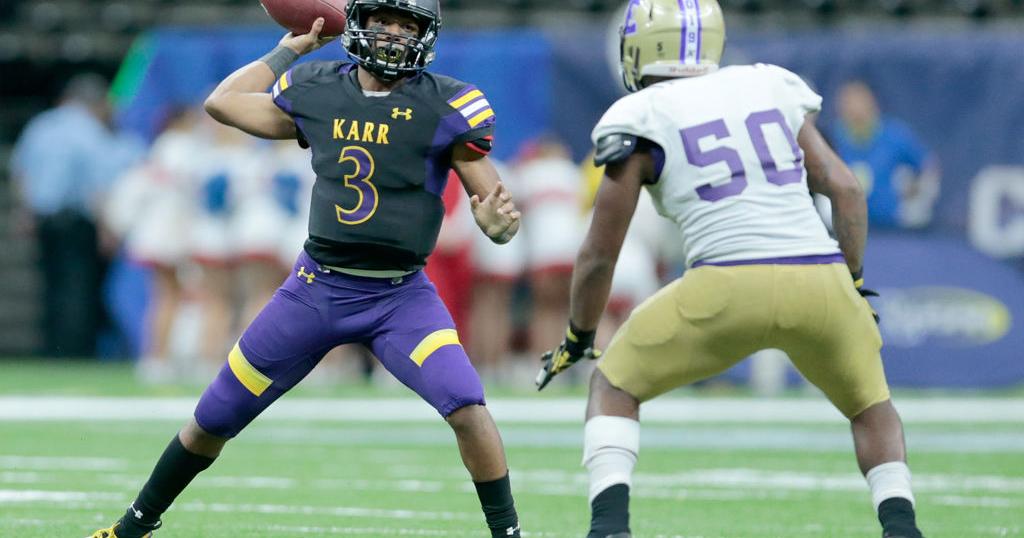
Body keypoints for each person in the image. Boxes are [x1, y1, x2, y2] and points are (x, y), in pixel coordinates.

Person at [89, 1, 522, 537]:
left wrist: (498, 227)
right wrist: (288, 51)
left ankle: (508, 534)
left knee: (467, 406)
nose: (393, 34)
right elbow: (222, 103)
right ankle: (131, 527)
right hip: (316, 292)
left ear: (426, 35)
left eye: (407, 25)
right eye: (383, 21)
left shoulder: (447, 104)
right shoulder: (317, 86)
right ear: (359, 23)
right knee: (211, 420)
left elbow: (498, 212)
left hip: (400, 298)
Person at [535, 2, 925, 538]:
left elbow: (601, 252)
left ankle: (608, 528)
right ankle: (901, 527)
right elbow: (846, 189)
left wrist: (580, 335)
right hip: (819, 278)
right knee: (872, 408)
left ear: (642, 46)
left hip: (724, 284)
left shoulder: (641, 113)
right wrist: (852, 282)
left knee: (613, 386)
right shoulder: (768, 85)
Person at [9, 73, 144, 358]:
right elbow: (98, 186)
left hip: (45, 219)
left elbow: (21, 173)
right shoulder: (90, 131)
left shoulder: (42, 125)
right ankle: (74, 351)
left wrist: (27, 211)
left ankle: (52, 348)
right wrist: (106, 229)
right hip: (77, 221)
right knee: (78, 288)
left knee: (52, 285)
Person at [831, 80, 939, 230]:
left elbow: (928, 165)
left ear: (873, 103)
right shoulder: (830, 139)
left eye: (860, 101)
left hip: (894, 230)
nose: (855, 108)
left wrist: (917, 193)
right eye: (848, 102)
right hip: (846, 230)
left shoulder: (896, 136)